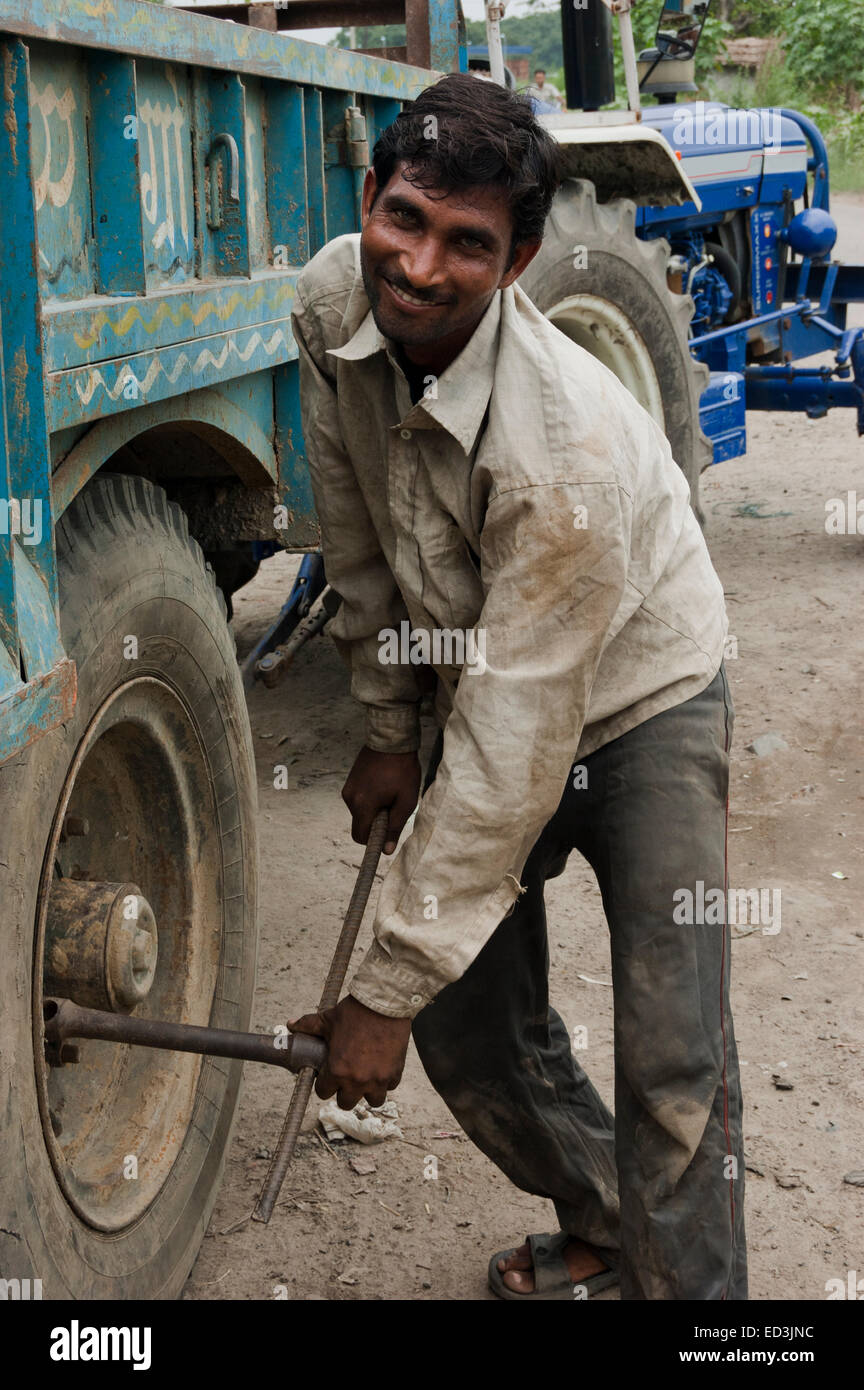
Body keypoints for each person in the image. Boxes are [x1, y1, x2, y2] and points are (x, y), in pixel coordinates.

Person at [288, 72, 747, 1301]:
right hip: (487, 670)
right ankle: (608, 1217)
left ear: (521, 258)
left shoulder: (570, 450)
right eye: (405, 218)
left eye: (468, 244)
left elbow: (512, 740)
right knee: (469, 1023)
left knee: (675, 1060)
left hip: (647, 694)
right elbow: (360, 535)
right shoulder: (332, 298)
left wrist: (374, 991)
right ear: (370, 195)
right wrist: (387, 728)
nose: (420, 267)